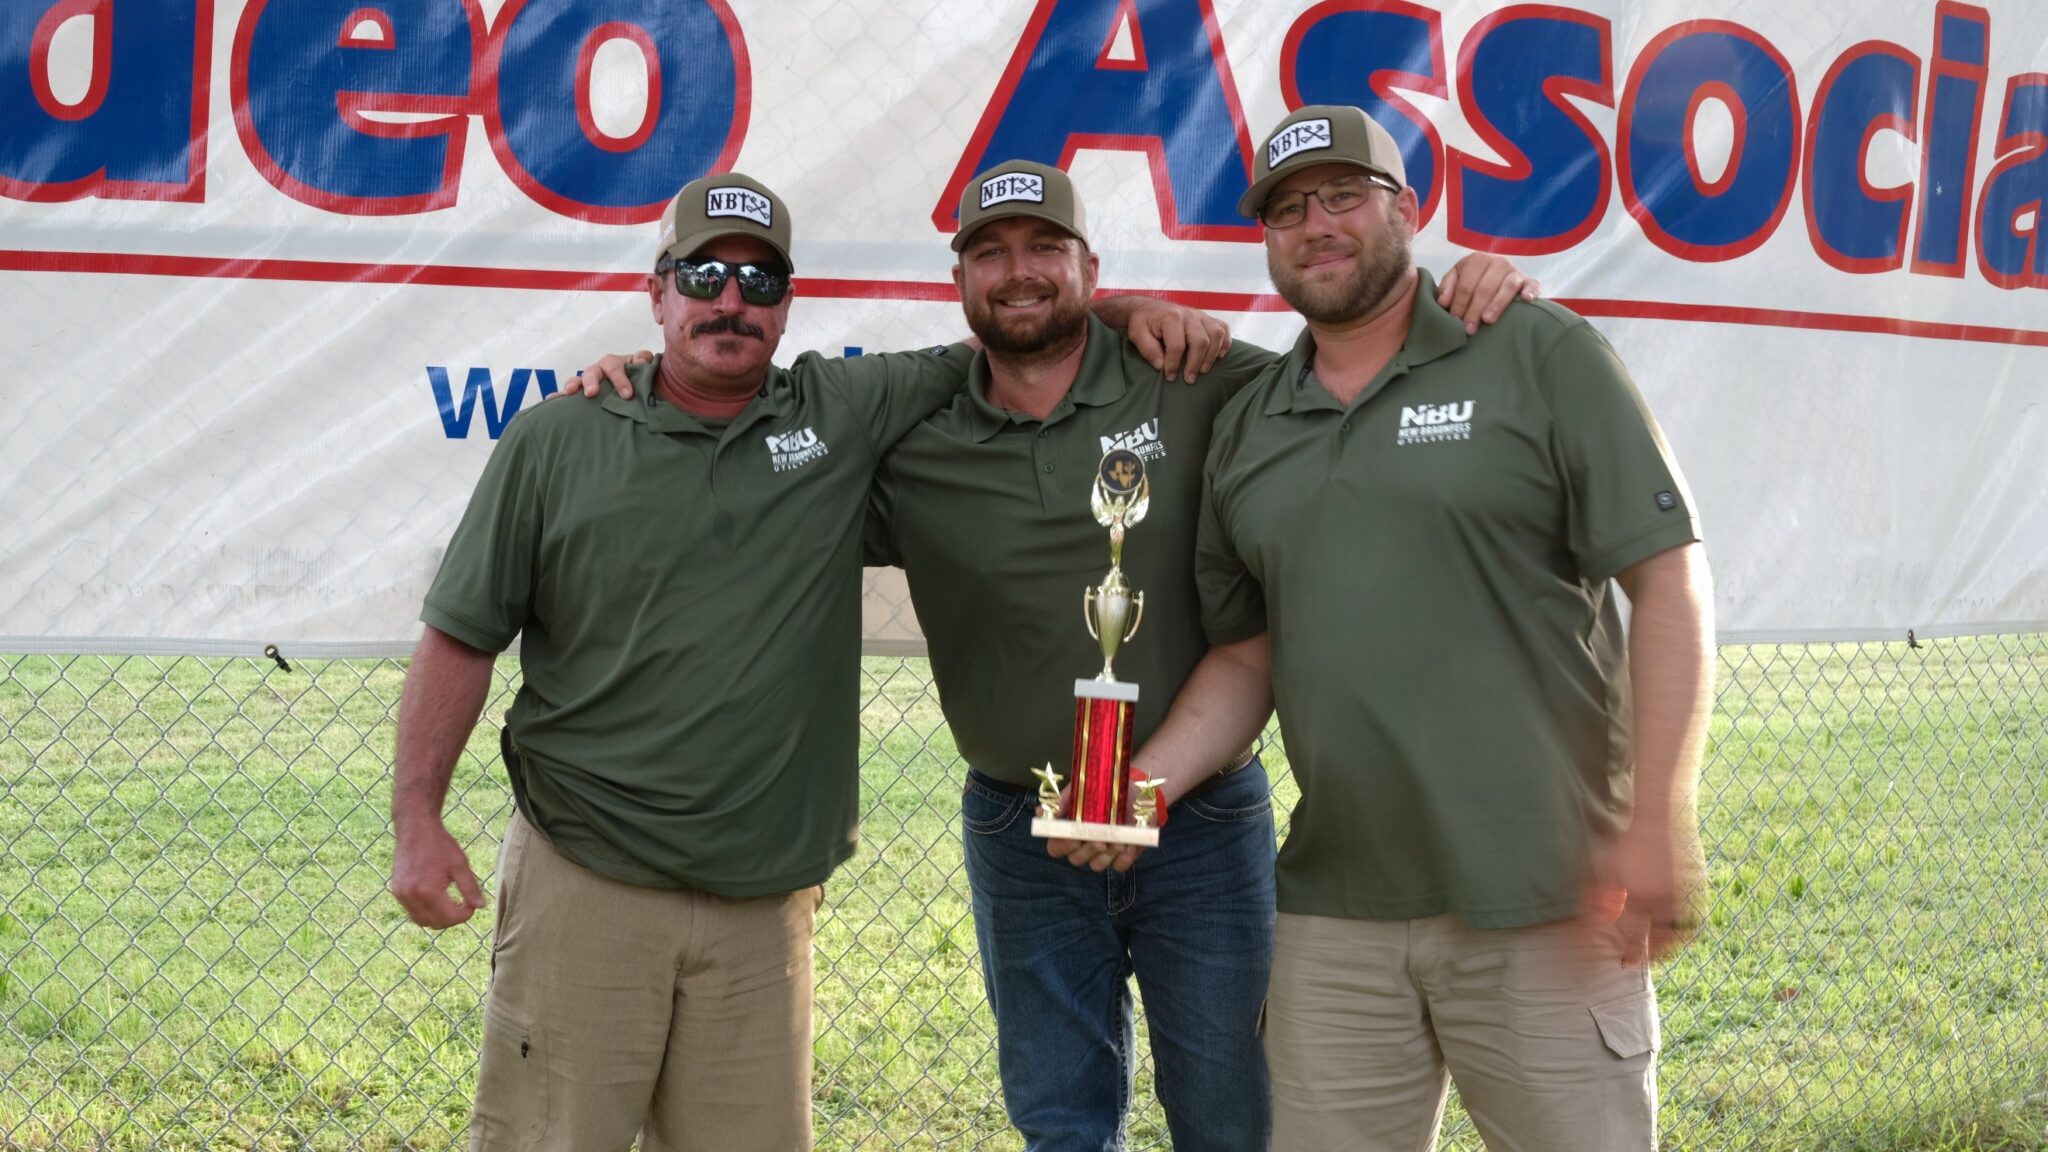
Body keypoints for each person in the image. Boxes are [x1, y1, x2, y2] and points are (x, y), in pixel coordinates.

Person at [574, 160, 1537, 1152]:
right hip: (1018, 824)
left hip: (1198, 824)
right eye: (989, 253)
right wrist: (633, 387)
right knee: (1061, 1122)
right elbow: (735, 435)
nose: (1017, 272)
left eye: (1045, 248)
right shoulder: (911, 438)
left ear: (1089, 266)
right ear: (956, 280)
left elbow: (1351, 372)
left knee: (1234, 1114)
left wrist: (1465, 292)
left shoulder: (1193, 380)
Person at [393, 169, 1242, 1152]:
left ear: (786, 303)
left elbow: (1018, 335)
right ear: (656, 291)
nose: (728, 302)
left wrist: (1126, 309)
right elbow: (460, 633)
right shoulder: (558, 437)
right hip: (589, 878)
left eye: (758, 283)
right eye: (703, 275)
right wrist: (418, 819)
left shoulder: (836, 410)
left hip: (763, 908)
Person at [1183, 105, 1715, 1151]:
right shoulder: (1250, 421)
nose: (1315, 224)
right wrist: (1141, 784)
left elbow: (1667, 583)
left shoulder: (1531, 349)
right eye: (1286, 209)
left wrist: (1658, 816)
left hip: (1547, 895)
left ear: (1406, 211)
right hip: (1335, 908)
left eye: (1343, 195)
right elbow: (1248, 652)